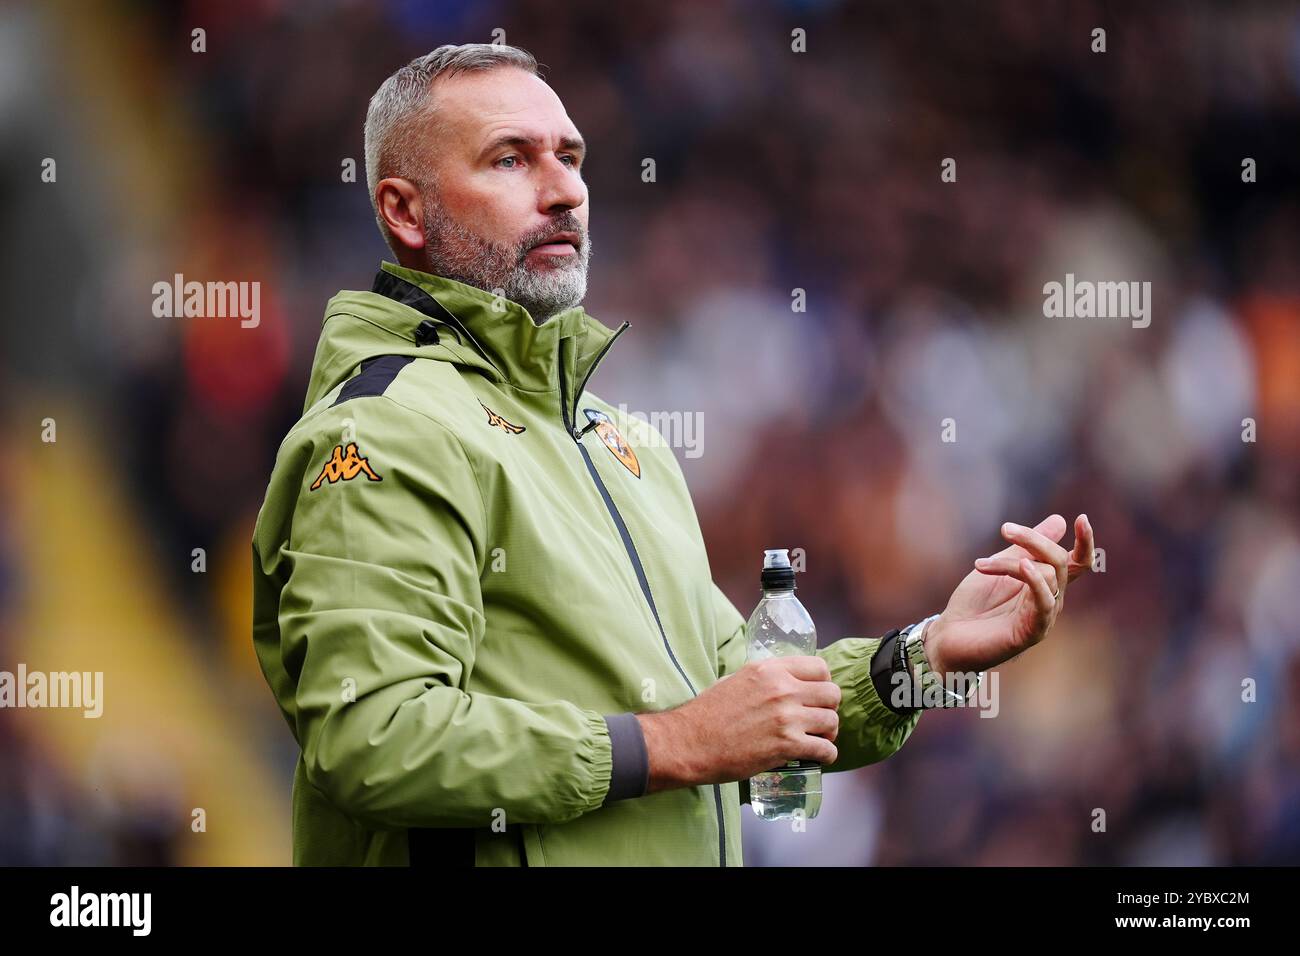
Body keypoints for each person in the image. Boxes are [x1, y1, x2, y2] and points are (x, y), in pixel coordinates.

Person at [251, 43, 1095, 866]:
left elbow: (744, 693)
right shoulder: (385, 431)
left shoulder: (620, 442)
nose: (563, 192)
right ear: (405, 211)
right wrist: (672, 745)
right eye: (510, 160)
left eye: (571, 157)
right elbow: (373, 737)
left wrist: (926, 655)